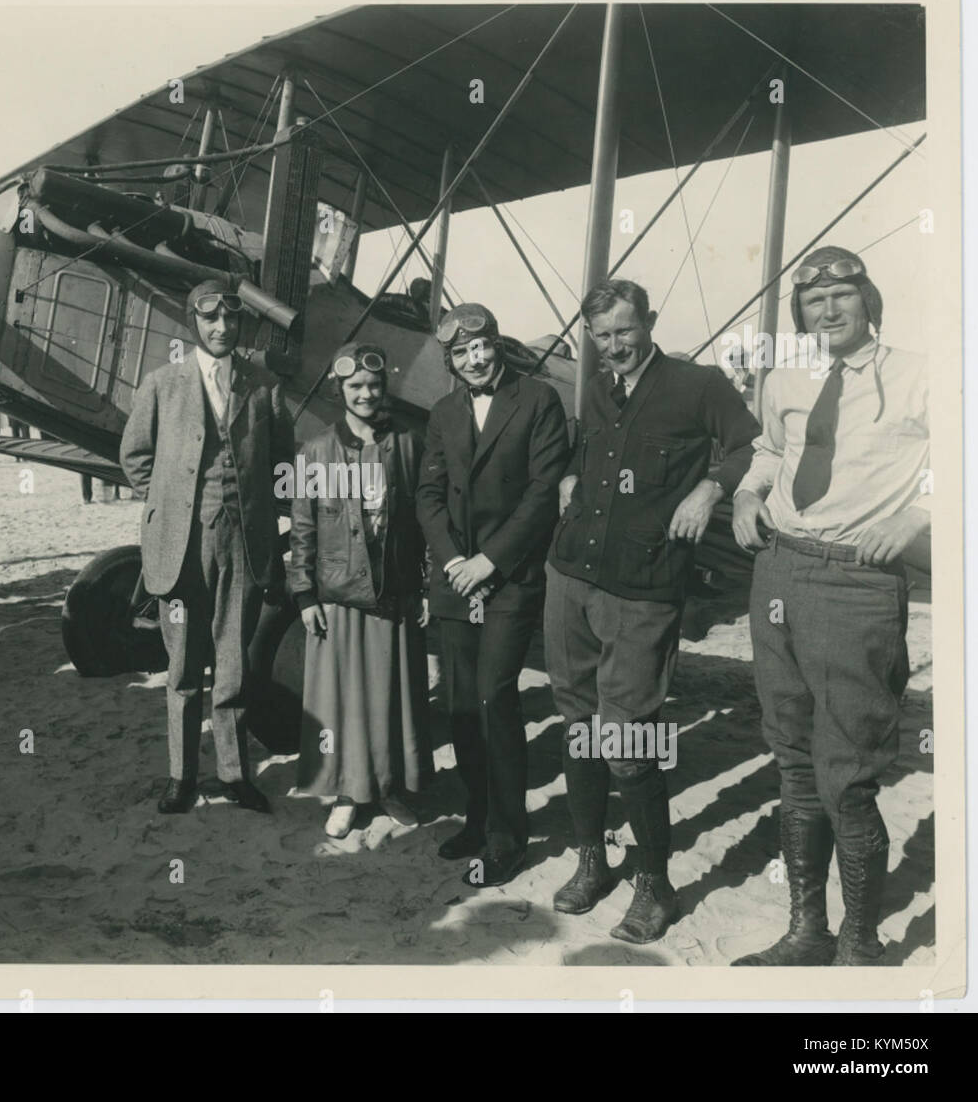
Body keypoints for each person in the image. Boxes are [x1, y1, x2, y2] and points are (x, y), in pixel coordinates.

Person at [543, 278, 760, 943]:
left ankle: (655, 884)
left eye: (626, 332)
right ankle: (590, 862)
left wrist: (709, 491)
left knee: (629, 736)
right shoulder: (600, 388)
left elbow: (751, 446)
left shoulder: (699, 386)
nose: (615, 347)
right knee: (578, 721)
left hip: (643, 589)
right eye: (602, 337)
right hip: (571, 575)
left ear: (651, 323)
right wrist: (573, 474)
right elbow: (592, 449)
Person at [730, 247, 929, 967]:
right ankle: (807, 931)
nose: (830, 310)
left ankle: (860, 943)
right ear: (801, 313)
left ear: (868, 298)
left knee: (846, 772)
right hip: (778, 573)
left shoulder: (921, 375)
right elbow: (767, 451)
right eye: (815, 302)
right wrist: (749, 494)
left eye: (844, 295)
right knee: (792, 761)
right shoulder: (786, 376)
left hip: (857, 586)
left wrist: (919, 517)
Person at [121, 277, 295, 816]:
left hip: (243, 542)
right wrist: (169, 507)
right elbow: (135, 457)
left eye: (231, 320)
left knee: (232, 664)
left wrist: (263, 511)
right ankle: (181, 777)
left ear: (241, 324)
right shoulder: (162, 383)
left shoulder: (264, 385)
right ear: (193, 322)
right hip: (180, 546)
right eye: (210, 318)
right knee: (181, 667)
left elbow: (281, 463)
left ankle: (234, 774)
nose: (222, 328)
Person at [415, 303, 571, 887]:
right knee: (459, 703)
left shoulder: (538, 401)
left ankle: (508, 837)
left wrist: (489, 560)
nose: (474, 359)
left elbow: (541, 493)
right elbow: (427, 497)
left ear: (498, 345)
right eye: (461, 352)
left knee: (494, 698)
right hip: (457, 579)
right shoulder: (443, 413)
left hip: (508, 578)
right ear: (451, 362)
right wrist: (455, 560)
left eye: (481, 347)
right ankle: (476, 819)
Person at [290, 342, 433, 838]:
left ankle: (391, 788)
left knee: (391, 695)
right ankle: (349, 794)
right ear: (340, 390)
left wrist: (424, 585)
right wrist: (305, 596)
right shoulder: (316, 451)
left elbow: (423, 521)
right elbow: (304, 527)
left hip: (394, 593)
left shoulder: (409, 446)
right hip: (338, 595)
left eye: (373, 385)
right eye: (355, 387)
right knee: (343, 699)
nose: (366, 394)